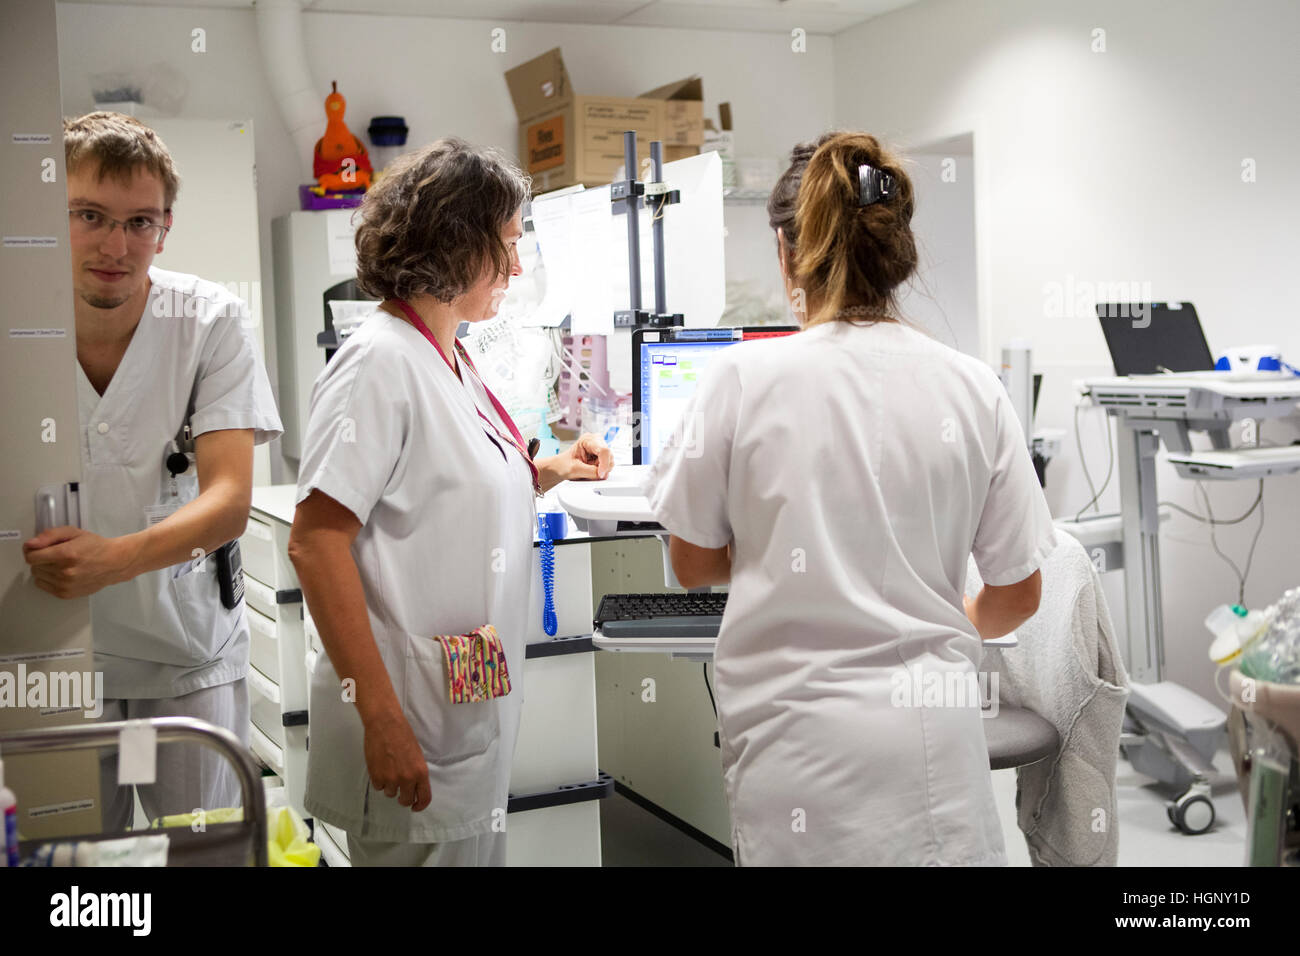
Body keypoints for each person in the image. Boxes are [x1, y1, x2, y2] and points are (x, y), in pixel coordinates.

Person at [646, 131, 1057, 866]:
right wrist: (935, 623)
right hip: (934, 738)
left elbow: (692, 563)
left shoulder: (741, 380)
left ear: (787, 251)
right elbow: (1019, 594)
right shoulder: (973, 388)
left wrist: (776, 547)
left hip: (797, 746)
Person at [288, 138, 612, 867]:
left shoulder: (449, 353)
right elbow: (316, 541)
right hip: (409, 711)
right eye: (506, 245)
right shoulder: (379, 363)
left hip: (462, 695)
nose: (517, 267)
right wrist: (380, 718)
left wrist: (552, 468)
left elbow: (451, 486)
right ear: (456, 247)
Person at [23, 112, 282, 830]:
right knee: (76, 866)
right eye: (90, 215)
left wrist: (111, 560)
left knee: (199, 853)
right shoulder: (16, 321)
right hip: (60, 658)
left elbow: (229, 501)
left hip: (186, 657)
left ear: (166, 227)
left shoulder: (209, 321)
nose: (117, 245)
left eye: (142, 222)